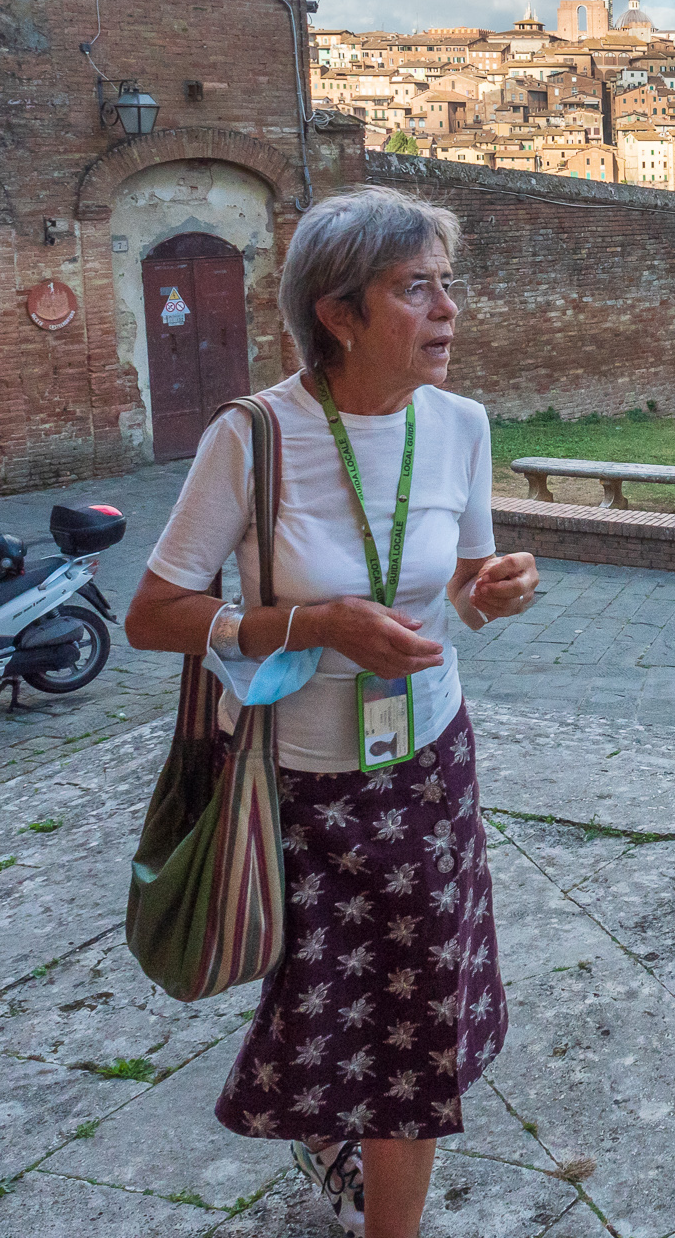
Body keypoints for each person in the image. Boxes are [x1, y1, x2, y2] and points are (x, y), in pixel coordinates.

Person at [125, 186, 541, 1238]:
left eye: (450, 285)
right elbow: (154, 614)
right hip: (294, 784)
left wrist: (488, 592)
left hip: (429, 765)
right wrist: (309, 625)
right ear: (337, 313)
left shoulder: (460, 424)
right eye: (415, 289)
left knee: (415, 1019)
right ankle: (329, 1139)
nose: (446, 311)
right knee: (324, 999)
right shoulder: (254, 436)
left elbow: (455, 578)